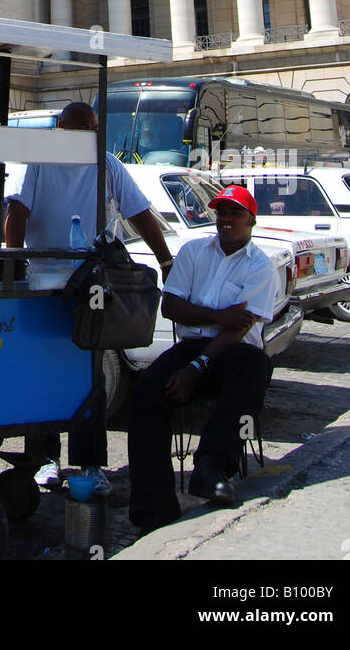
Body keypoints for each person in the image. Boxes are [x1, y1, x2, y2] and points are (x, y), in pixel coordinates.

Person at [4, 101, 174, 493]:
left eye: (94, 129)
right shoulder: (38, 160)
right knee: (44, 372)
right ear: (60, 127)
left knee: (90, 377)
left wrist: (165, 259)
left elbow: (140, 213)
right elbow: (18, 211)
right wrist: (15, 264)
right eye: (81, 129)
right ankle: (45, 458)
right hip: (44, 283)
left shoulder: (108, 165)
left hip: (92, 286)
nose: (88, 137)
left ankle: (90, 463)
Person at [127, 185, 277, 535]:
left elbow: (236, 331)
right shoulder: (194, 252)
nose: (225, 219)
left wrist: (196, 369)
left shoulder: (261, 268)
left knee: (255, 367)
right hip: (192, 346)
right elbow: (172, 307)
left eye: (234, 213)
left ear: (251, 221)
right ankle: (153, 509)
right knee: (147, 394)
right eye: (220, 212)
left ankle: (212, 468)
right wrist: (218, 315)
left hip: (232, 353)